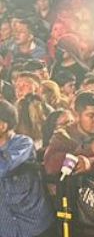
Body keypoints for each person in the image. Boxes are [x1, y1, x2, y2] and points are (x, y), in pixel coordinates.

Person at [0, 98, 54, 237]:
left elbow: (3, 167)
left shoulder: (23, 143)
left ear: (3, 126)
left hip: (34, 225)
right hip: (6, 228)